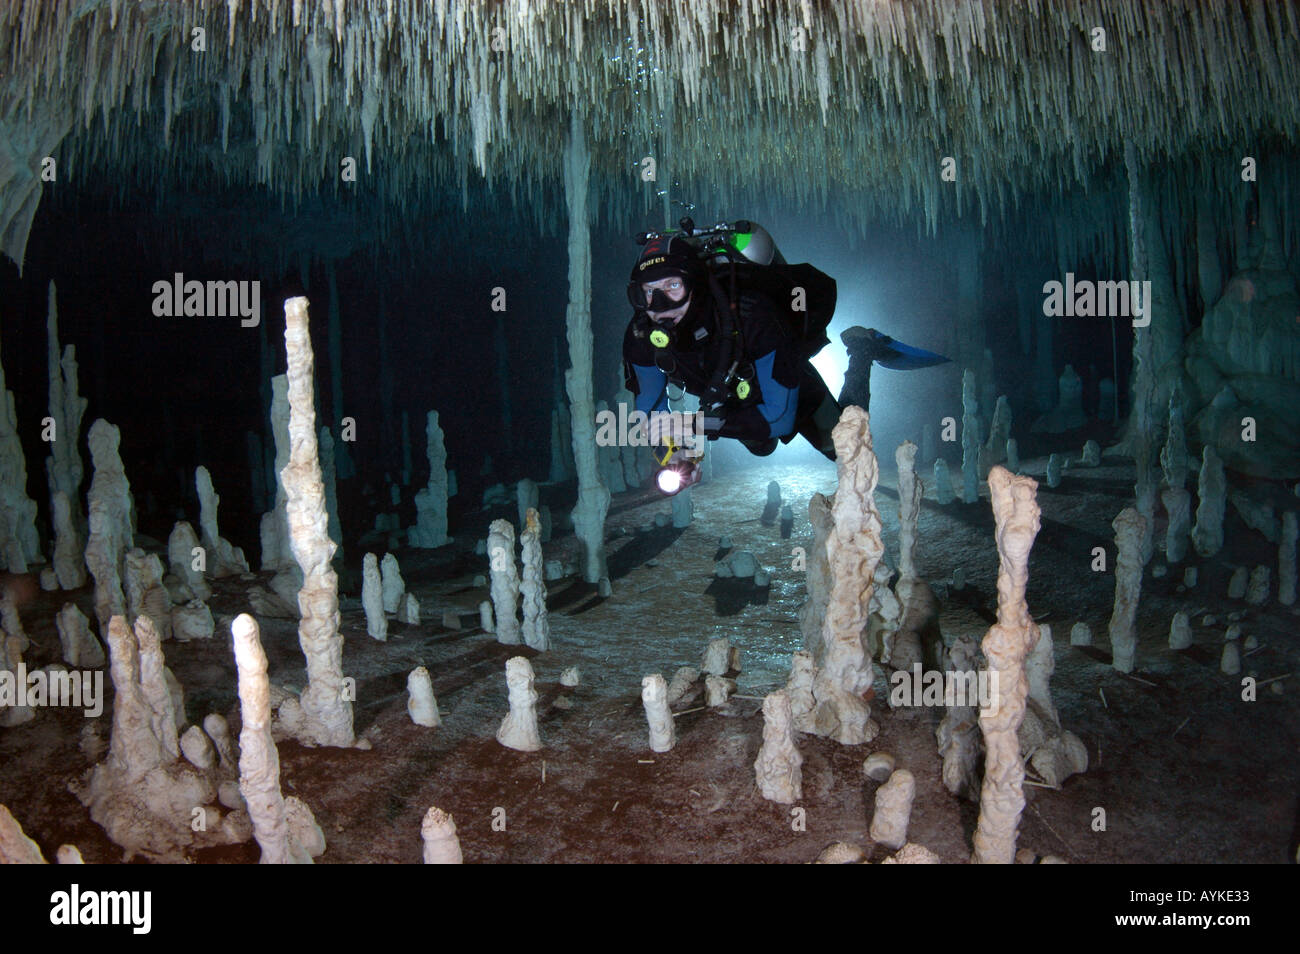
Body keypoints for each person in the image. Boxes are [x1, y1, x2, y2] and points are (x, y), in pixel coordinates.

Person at [622, 233, 843, 462]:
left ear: (695, 284)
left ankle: (860, 357)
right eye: (648, 291)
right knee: (762, 447)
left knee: (847, 452)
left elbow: (780, 418)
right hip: (733, 404)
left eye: (673, 285)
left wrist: (694, 424)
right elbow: (651, 413)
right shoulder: (641, 335)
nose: (660, 305)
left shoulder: (753, 316)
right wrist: (673, 455)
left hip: (792, 393)